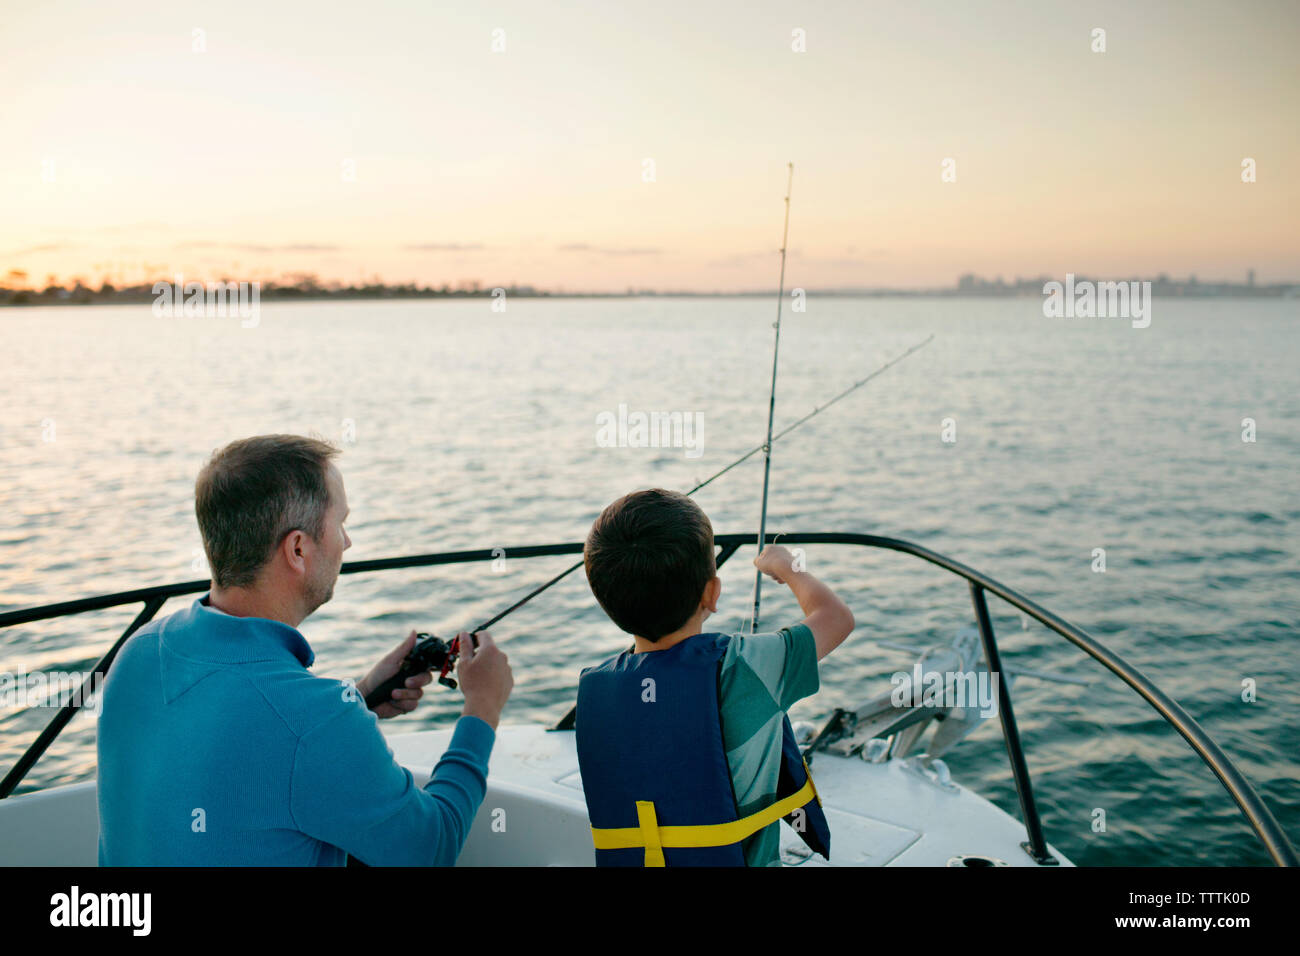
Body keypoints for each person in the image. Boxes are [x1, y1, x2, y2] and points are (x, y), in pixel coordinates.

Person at [97, 434, 513, 865]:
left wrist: (363, 694)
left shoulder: (136, 654)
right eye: (341, 524)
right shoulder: (315, 721)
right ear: (298, 549)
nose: (346, 542)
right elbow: (432, 846)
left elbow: (240, 742)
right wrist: (482, 708)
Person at [575, 488, 855, 866]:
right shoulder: (748, 665)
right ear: (712, 592)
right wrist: (788, 566)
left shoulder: (598, 690)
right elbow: (836, 617)